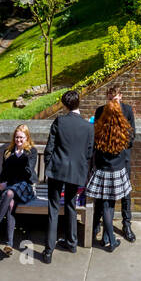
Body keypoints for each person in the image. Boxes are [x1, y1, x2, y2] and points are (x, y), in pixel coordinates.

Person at [40, 89, 93, 264]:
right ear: (79, 103)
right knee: (71, 206)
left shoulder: (60, 121)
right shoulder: (87, 127)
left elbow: (50, 147)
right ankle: (72, 242)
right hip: (76, 171)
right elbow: (88, 152)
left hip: (57, 170)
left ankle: (48, 251)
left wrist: (49, 164)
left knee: (53, 209)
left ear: (65, 105)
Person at [0, 123, 38, 258]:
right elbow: (4, 172)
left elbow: (27, 174)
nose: (19, 140)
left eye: (22, 138)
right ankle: (9, 244)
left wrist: (6, 185)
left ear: (27, 138)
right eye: (17, 137)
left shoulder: (31, 152)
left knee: (10, 193)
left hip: (24, 186)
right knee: (10, 203)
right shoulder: (9, 151)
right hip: (10, 186)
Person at [85, 100, 134, 252]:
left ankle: (107, 238)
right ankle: (111, 241)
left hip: (102, 170)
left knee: (106, 205)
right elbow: (127, 146)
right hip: (117, 170)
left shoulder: (98, 130)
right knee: (109, 205)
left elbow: (93, 150)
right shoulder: (123, 130)